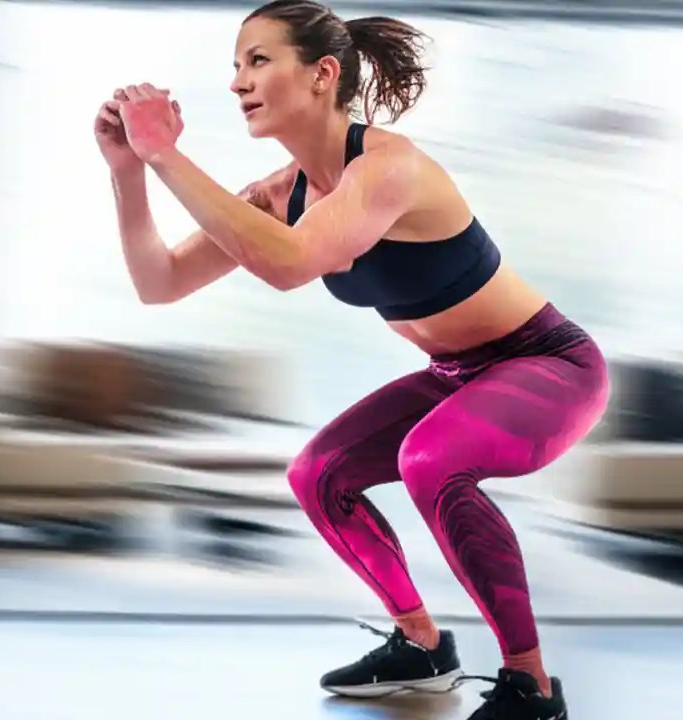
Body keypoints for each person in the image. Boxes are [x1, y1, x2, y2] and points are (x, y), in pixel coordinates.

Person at [93, 1, 607, 717]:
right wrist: (130, 171)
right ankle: (422, 647)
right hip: (456, 375)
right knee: (318, 473)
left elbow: (292, 263)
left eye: (258, 60)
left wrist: (167, 155)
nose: (238, 81)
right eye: (235, 66)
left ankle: (533, 688)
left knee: (429, 460)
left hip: (548, 363)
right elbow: (160, 282)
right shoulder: (278, 194)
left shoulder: (389, 168)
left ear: (321, 73)